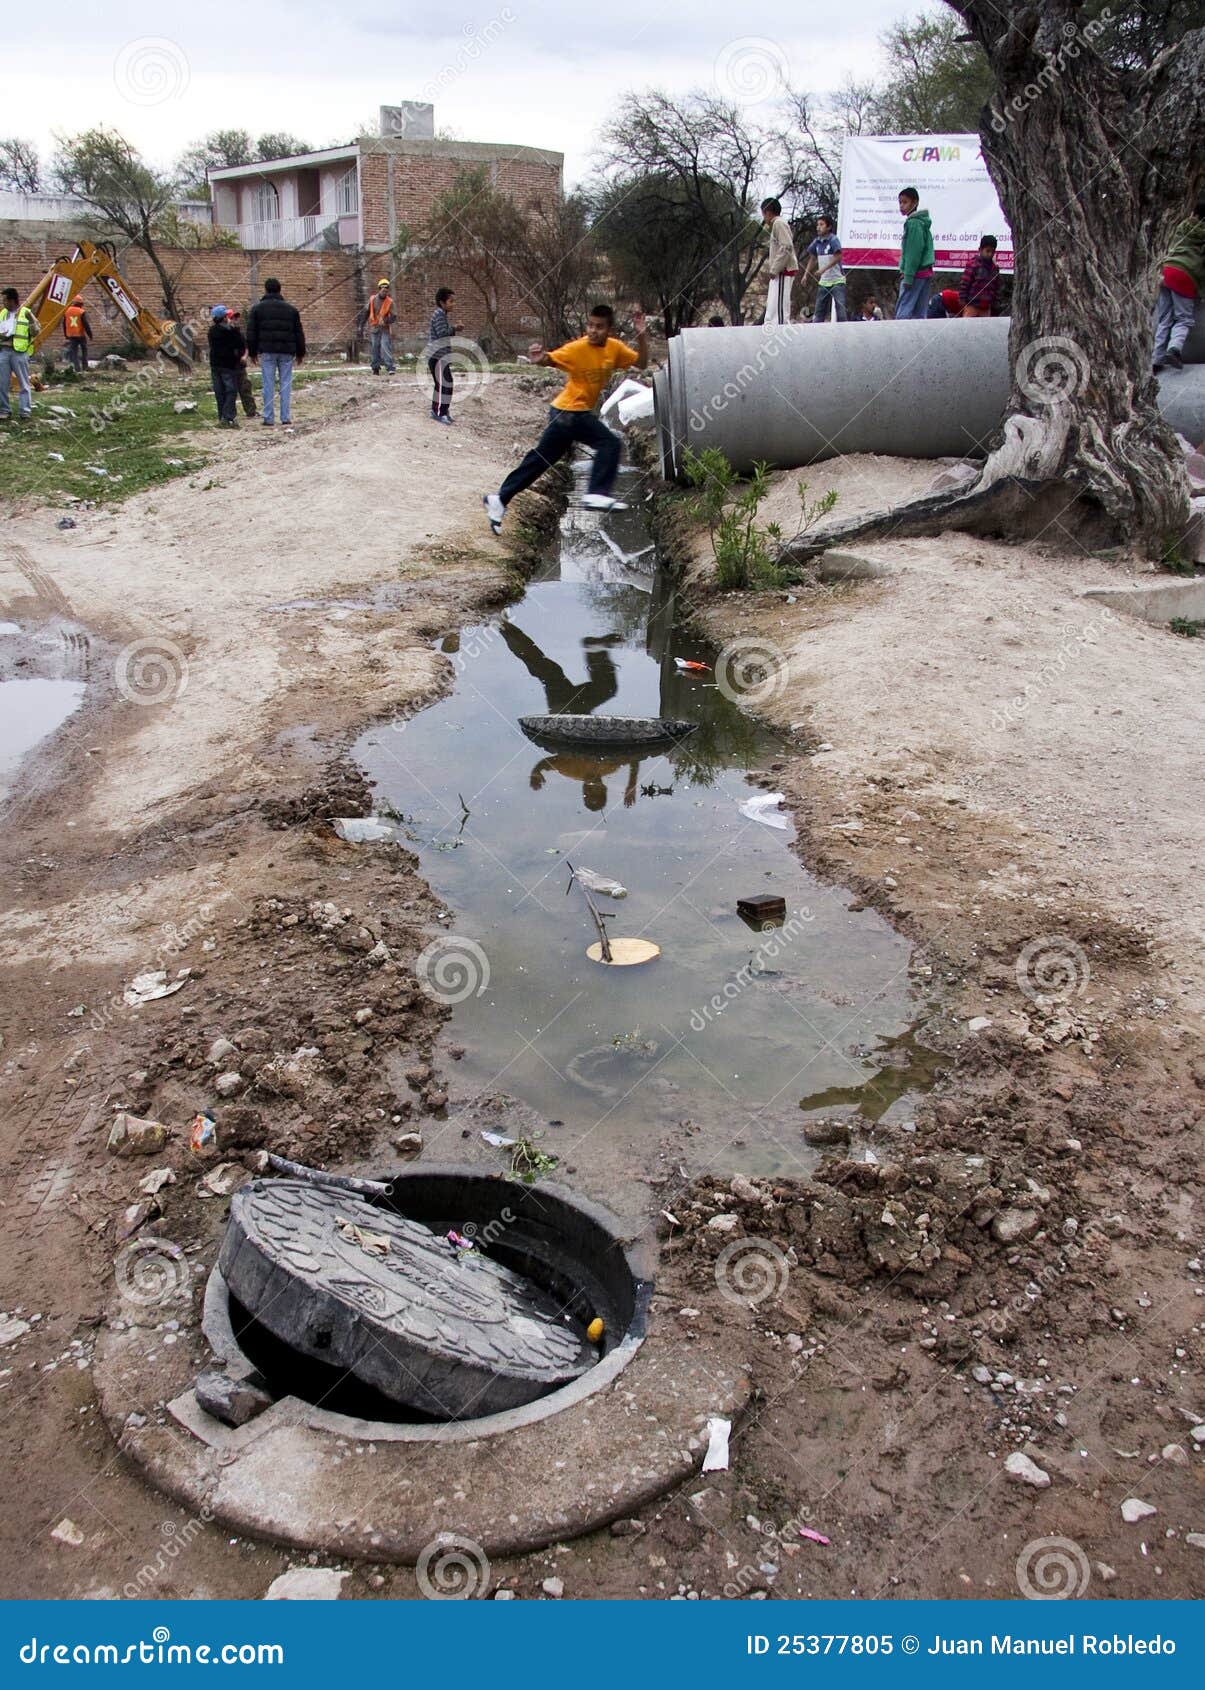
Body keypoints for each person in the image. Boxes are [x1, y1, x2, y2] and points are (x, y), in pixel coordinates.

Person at [482, 301, 648, 532]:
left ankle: (499, 499)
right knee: (609, 442)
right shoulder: (577, 348)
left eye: (599, 327)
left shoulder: (615, 348)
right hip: (569, 411)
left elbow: (641, 363)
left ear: (608, 330)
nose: (593, 331)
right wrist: (539, 358)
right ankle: (597, 493)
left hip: (566, 415)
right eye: (590, 325)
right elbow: (549, 359)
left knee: (540, 460)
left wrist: (641, 335)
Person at [1153, 197, 1205, 372]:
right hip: (1185, 276)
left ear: (1194, 214)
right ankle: (1174, 349)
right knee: (1184, 318)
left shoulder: (1183, 227)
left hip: (1166, 270)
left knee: (1164, 317)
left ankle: (1156, 358)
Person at [246, 276, 305, 427]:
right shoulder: (291, 310)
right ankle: (285, 417)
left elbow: (252, 332)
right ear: (280, 290)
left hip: (267, 351)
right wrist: (300, 352)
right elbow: (298, 332)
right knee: (286, 383)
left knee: (268, 384)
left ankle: (268, 417)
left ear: (265, 290)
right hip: (287, 351)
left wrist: (252, 352)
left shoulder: (257, 309)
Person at [0, 287, 39, 421]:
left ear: (12, 301)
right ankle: (4, 410)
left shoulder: (26, 313)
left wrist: (32, 321)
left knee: (23, 383)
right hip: (4, 351)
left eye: (5, 300)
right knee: (2, 383)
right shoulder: (2, 314)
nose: (3, 302)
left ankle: (25, 411)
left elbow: (36, 332)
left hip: (19, 352)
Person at [895, 188, 934, 319]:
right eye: (900, 202)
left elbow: (913, 252)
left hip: (914, 274)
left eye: (905, 202)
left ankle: (900, 338)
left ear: (915, 202)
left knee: (903, 311)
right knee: (919, 313)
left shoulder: (913, 224)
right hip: (924, 272)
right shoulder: (921, 222)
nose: (901, 206)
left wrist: (908, 275)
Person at [426, 287, 461, 423]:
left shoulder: (441, 314)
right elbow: (441, 334)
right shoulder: (439, 314)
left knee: (445, 384)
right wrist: (455, 328)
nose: (453, 304)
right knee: (444, 385)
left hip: (440, 356)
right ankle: (439, 413)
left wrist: (453, 329)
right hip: (437, 356)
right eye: (451, 301)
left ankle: (442, 410)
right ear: (442, 302)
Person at [760, 198, 797, 326]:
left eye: (763, 214)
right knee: (773, 303)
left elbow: (787, 246)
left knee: (780, 306)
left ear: (768, 213)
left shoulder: (778, 223)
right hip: (780, 271)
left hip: (783, 270)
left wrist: (775, 268)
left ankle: (779, 329)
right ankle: (771, 327)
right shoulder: (778, 224)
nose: (764, 218)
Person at [207, 305, 245, 428]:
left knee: (219, 391)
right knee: (231, 390)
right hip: (228, 365)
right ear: (223, 318)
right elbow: (240, 344)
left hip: (215, 365)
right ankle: (229, 416)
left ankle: (222, 417)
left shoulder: (212, 331)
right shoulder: (229, 331)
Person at [804, 215, 846, 323]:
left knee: (841, 311)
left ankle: (844, 334)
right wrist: (806, 274)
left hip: (837, 280)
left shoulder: (833, 239)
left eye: (821, 225)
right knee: (819, 312)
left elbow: (838, 256)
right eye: (817, 225)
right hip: (824, 281)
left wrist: (823, 269)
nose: (818, 227)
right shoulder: (817, 242)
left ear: (828, 227)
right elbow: (812, 258)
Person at [959, 235, 1001, 318]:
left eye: (992, 252)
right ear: (980, 250)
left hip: (986, 307)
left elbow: (996, 287)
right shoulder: (973, 265)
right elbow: (965, 283)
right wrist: (963, 300)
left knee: (984, 329)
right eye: (987, 251)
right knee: (968, 328)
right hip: (971, 305)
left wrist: (996, 303)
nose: (990, 254)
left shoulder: (994, 268)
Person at [226, 309, 256, 417]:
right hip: (228, 366)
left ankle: (251, 411)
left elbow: (246, 347)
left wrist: (245, 356)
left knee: (245, 388)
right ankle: (230, 414)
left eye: (235, 318)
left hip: (240, 365)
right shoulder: (223, 334)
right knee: (230, 390)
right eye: (232, 318)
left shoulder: (239, 333)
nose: (234, 320)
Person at [367, 278, 396, 375]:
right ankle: (375, 368)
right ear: (379, 289)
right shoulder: (372, 299)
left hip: (384, 328)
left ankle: (390, 367)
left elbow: (394, 316)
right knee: (375, 348)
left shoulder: (390, 302)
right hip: (374, 327)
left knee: (385, 347)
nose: (385, 292)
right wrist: (361, 325)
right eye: (383, 290)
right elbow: (366, 312)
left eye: (386, 291)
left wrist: (386, 321)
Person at [62, 294, 93, 372]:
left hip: (71, 336)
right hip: (80, 335)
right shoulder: (81, 311)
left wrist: (66, 335)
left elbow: (64, 324)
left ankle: (77, 369)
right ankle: (85, 367)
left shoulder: (67, 311)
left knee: (74, 353)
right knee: (84, 351)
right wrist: (90, 335)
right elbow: (86, 324)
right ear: (80, 304)